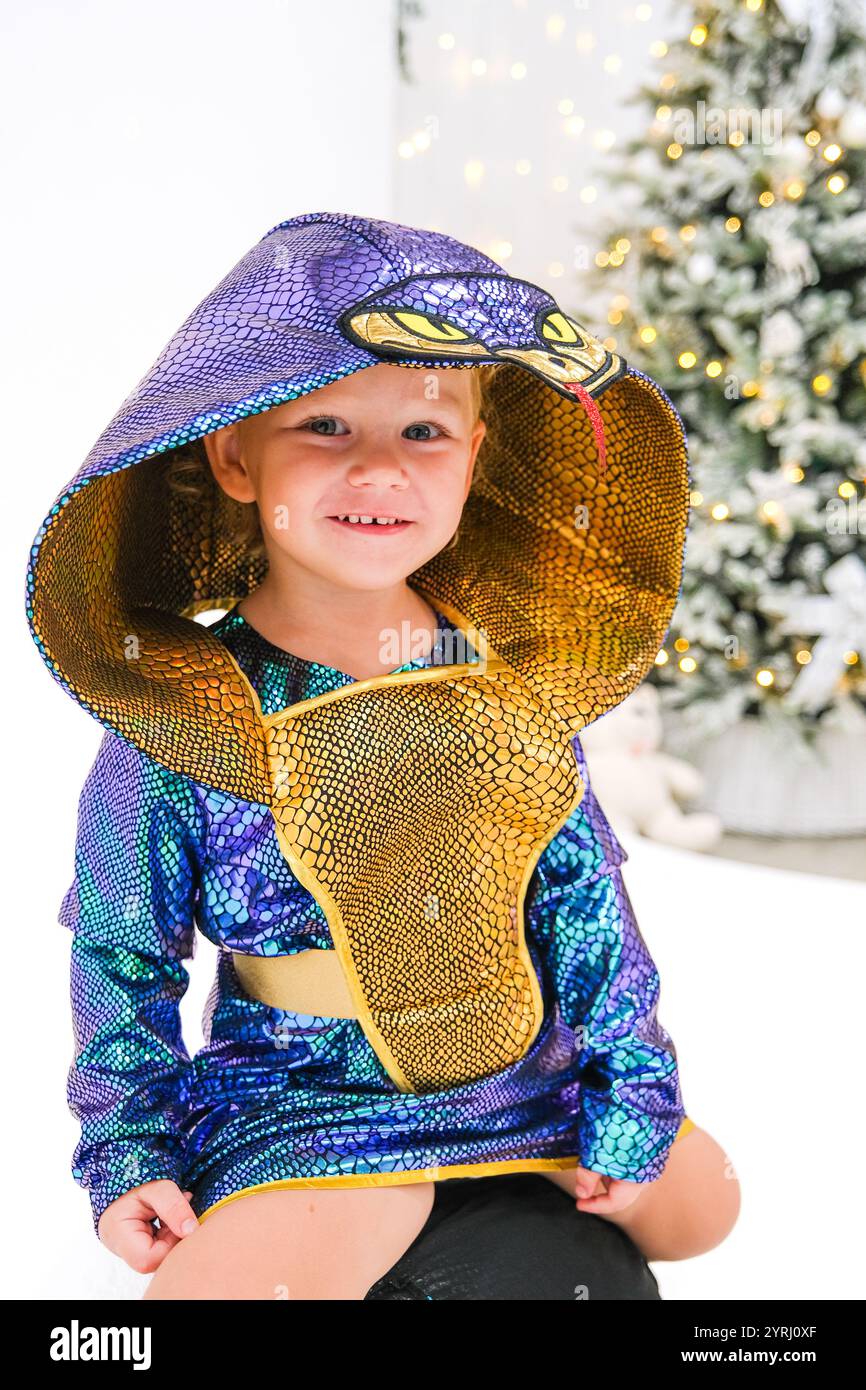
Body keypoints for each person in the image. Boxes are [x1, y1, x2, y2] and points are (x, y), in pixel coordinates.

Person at [27, 211, 739, 1299]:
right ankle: (374, 1211)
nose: (379, 471)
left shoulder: (498, 683)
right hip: (304, 1105)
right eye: (324, 428)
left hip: (519, 1082)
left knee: (701, 1203)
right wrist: (127, 1150)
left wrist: (629, 1087)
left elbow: (582, 898)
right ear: (232, 454)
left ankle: (515, 1192)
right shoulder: (186, 709)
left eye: (421, 433)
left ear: (472, 460)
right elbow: (122, 954)